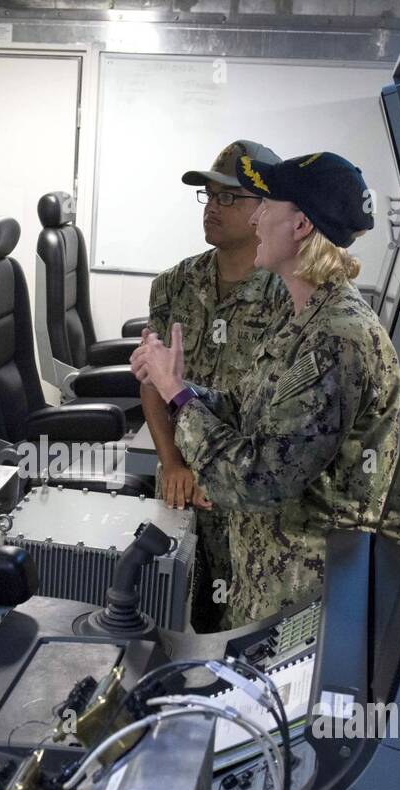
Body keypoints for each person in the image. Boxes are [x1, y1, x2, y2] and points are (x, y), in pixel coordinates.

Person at [131, 151, 400, 627]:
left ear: (299, 226)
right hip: (265, 581)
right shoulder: (306, 316)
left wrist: (178, 396)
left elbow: (261, 480)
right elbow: (245, 412)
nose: (256, 217)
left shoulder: (337, 338)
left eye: (266, 206)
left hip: (301, 599)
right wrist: (177, 382)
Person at [143, 140, 292, 631]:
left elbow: (281, 417)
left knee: (252, 634)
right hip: (187, 485)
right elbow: (152, 378)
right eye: (209, 196)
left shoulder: (289, 296)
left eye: (229, 198)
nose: (213, 208)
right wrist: (171, 463)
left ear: (263, 210)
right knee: (186, 617)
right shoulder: (173, 284)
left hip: (253, 495)